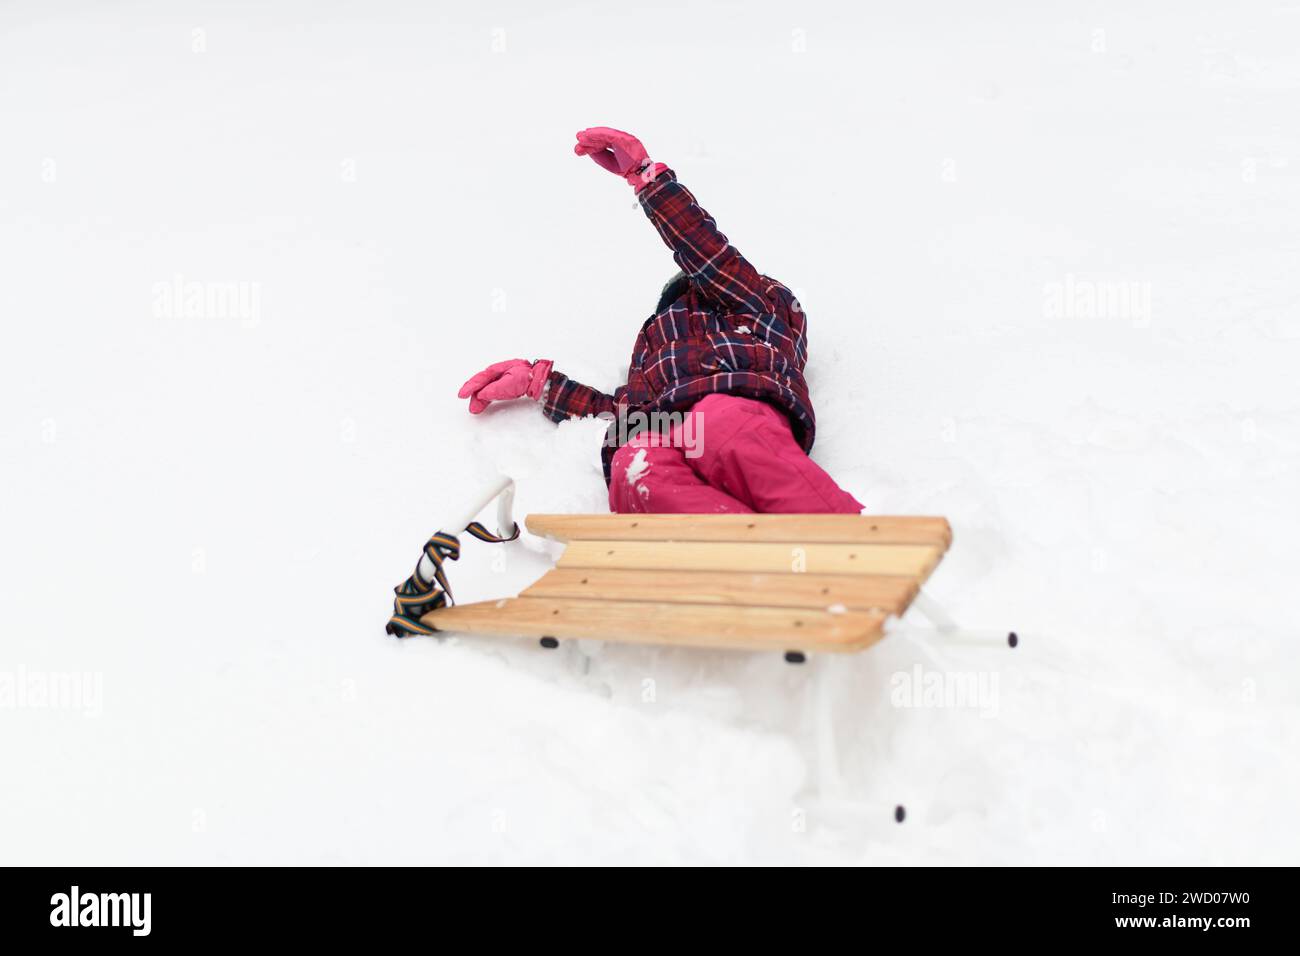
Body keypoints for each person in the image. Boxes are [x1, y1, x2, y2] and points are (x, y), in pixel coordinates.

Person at [457, 127, 863, 515]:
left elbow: (702, 248)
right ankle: (726, 549)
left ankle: (836, 534)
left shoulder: (752, 305)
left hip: (735, 403)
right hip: (664, 424)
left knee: (721, 426)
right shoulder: (653, 361)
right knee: (635, 461)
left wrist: (647, 178)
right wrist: (539, 383)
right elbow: (616, 411)